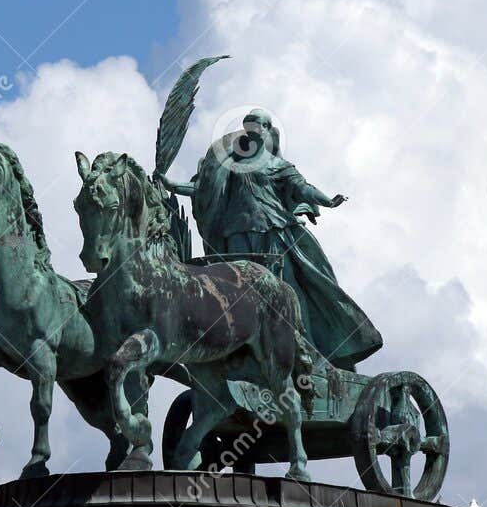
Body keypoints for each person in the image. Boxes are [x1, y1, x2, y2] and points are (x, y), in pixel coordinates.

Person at [158, 108, 381, 369]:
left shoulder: (279, 166)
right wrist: (171, 185)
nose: (251, 132)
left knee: (285, 292)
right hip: (236, 234)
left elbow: (303, 189)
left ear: (267, 130)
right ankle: (241, 348)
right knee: (236, 293)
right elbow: (202, 189)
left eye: (256, 126)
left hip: (272, 233)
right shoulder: (232, 165)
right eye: (247, 127)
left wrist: (328, 201)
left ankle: (303, 346)